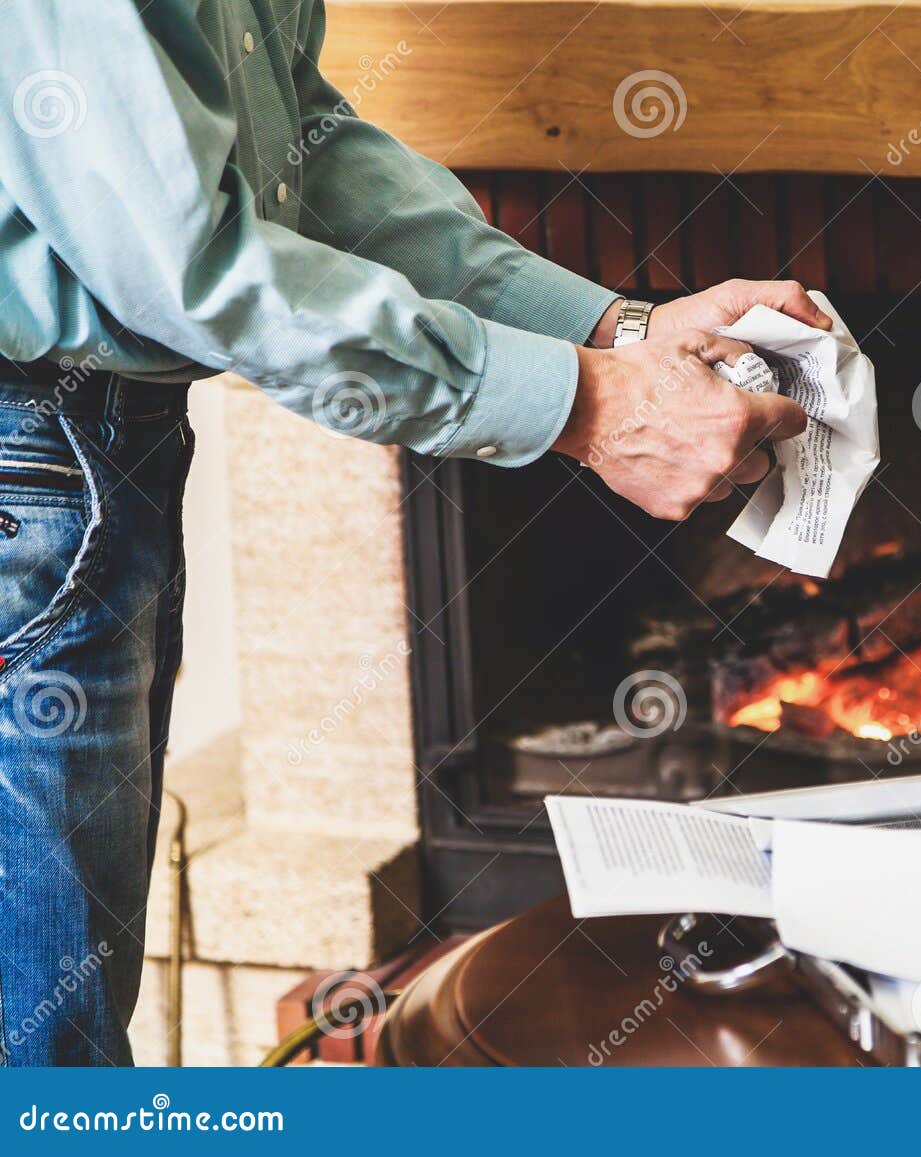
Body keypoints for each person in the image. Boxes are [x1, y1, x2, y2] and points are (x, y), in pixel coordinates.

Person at [0, 0, 817, 1066]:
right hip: (35, 452)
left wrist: (616, 331)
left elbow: (303, 157)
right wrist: (589, 404)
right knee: (45, 1059)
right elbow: (188, 264)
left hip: (96, 455)